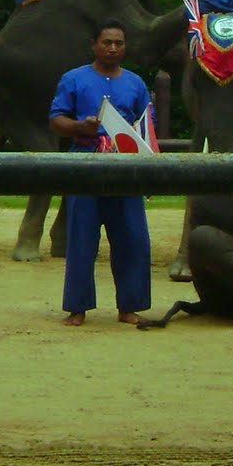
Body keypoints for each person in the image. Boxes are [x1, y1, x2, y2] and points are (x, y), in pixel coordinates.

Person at [48, 20, 153, 326]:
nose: (112, 48)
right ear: (94, 44)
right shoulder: (74, 79)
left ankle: (130, 306)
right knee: (81, 236)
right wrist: (81, 126)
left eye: (119, 43)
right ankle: (78, 307)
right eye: (107, 42)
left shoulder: (135, 83)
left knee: (132, 237)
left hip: (125, 164)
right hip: (85, 160)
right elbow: (56, 119)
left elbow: (147, 124)